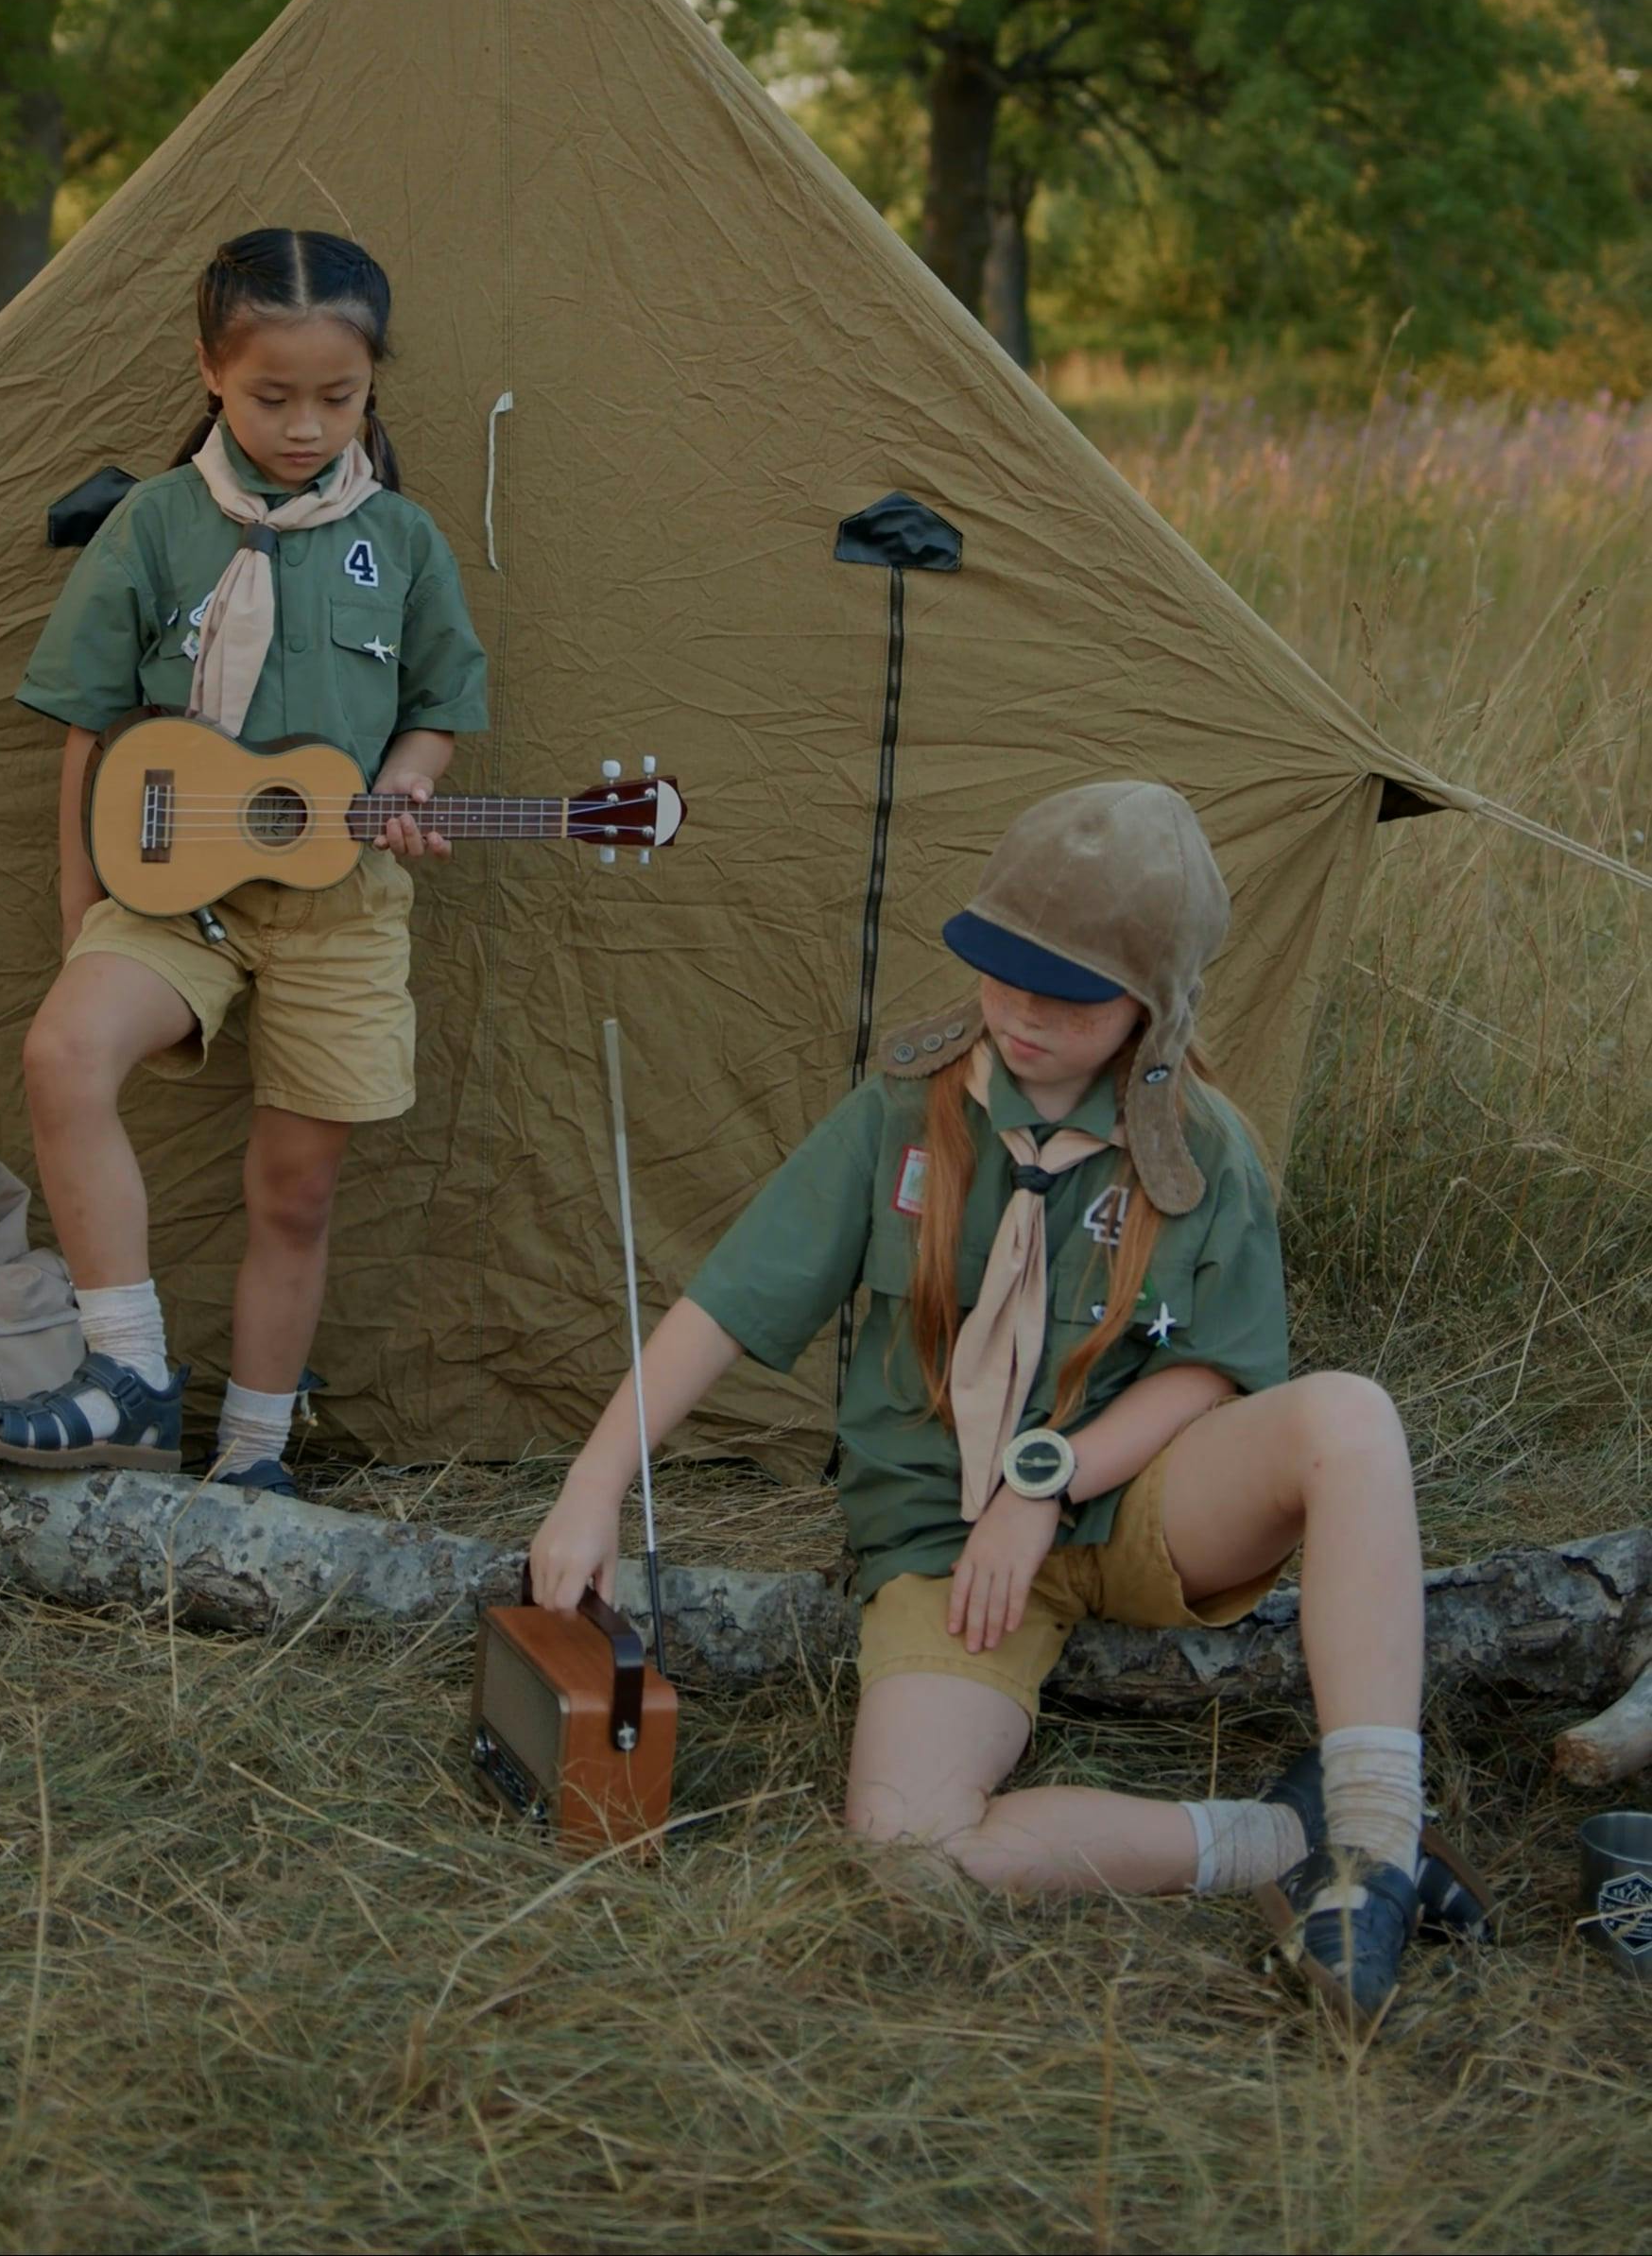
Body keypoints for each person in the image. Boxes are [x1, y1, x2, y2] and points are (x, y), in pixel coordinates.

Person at [530, 778, 1488, 2031]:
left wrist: (1048, 1482)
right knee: (908, 1849)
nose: (1025, 1013)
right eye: (1004, 973)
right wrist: (593, 1483)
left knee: (1348, 1418)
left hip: (1135, 1503)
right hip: (942, 1536)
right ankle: (1287, 1842)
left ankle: (1375, 1831)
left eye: (1070, 995)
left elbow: (1209, 1369)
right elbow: (724, 1305)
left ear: (1151, 1004)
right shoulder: (899, 1116)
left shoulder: (1200, 1149)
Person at [0, 226, 487, 1494]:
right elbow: (87, 728)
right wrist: (83, 912)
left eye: (337, 399)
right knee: (62, 1053)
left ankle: (252, 1458)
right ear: (210, 371)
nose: (304, 428)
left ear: (371, 384)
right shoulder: (155, 523)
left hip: (339, 901)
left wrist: (408, 785)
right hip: (164, 890)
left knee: (293, 1193)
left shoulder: (401, 538)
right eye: (270, 397)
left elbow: (437, 707)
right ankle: (128, 1375)